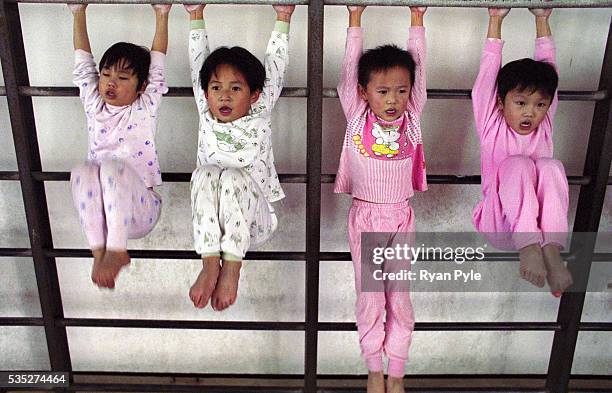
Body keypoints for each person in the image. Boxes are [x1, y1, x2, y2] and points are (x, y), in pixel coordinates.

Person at [334, 6, 428, 393]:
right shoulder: (357, 114)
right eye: (383, 91)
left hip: (402, 218)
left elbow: (419, 64)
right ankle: (374, 368)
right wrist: (355, 17)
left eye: (401, 90)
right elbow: (348, 69)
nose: (393, 99)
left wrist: (418, 17)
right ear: (363, 92)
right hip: (368, 220)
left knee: (400, 300)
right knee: (372, 299)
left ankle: (397, 372)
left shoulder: (413, 114)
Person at [185, 3, 295, 311]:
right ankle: (209, 263)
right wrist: (195, 15)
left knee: (233, 176)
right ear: (206, 93)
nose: (224, 95)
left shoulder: (259, 112)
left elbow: (275, 64)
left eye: (236, 88)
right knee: (204, 173)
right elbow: (198, 65)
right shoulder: (206, 114)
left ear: (255, 94)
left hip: (254, 219)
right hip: (213, 224)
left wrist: (283, 18)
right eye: (216, 88)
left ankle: (232, 265)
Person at [471, 5, 573, 296]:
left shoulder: (544, 125)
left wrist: (542, 18)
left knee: (551, 166)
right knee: (518, 164)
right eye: (521, 103)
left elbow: (549, 71)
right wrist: (495, 19)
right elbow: (488, 75)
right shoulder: (492, 123)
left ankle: (552, 251)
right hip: (500, 222)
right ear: (501, 103)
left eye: (540, 105)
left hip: (542, 230)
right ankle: (529, 246)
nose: (531, 112)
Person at [68, 3, 171, 289]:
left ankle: (116, 250)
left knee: (112, 168)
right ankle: (98, 250)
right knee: (83, 171)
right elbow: (83, 65)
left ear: (141, 86)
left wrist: (162, 15)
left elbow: (158, 62)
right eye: (106, 75)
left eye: (123, 78)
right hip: (105, 216)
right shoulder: (94, 104)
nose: (111, 83)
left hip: (141, 210)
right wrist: (78, 11)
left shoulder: (145, 107)